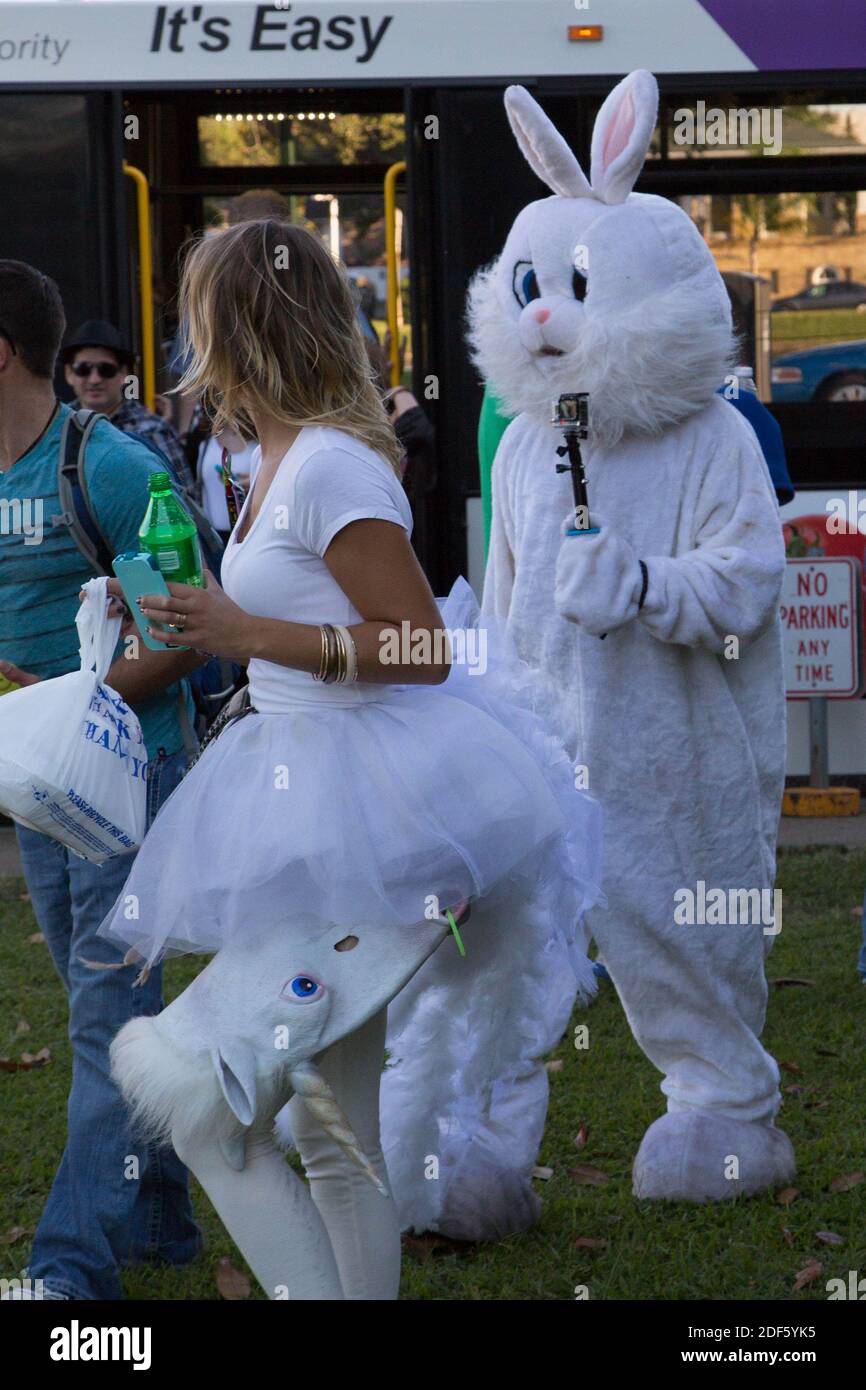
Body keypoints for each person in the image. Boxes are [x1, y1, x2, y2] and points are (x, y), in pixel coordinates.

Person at [98, 218, 601, 1298]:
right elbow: (278, 619)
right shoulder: (274, 453)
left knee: (209, 1109)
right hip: (304, 802)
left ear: (237, 323)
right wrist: (191, 619)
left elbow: (417, 647)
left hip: (368, 815)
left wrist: (246, 632)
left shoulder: (329, 464)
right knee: (335, 1130)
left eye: (197, 313)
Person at [0, 260, 202, 1300]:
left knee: (102, 1015)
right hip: (38, 784)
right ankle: (161, 1218)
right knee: (114, 1008)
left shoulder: (109, 467)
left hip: (127, 773)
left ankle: (68, 1273)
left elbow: (189, 632)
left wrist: (74, 702)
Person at [62, 319, 195, 491]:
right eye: (83, 369)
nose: (94, 379)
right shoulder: (58, 427)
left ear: (124, 373)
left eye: (106, 370)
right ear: (69, 373)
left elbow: (183, 501)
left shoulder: (152, 431)